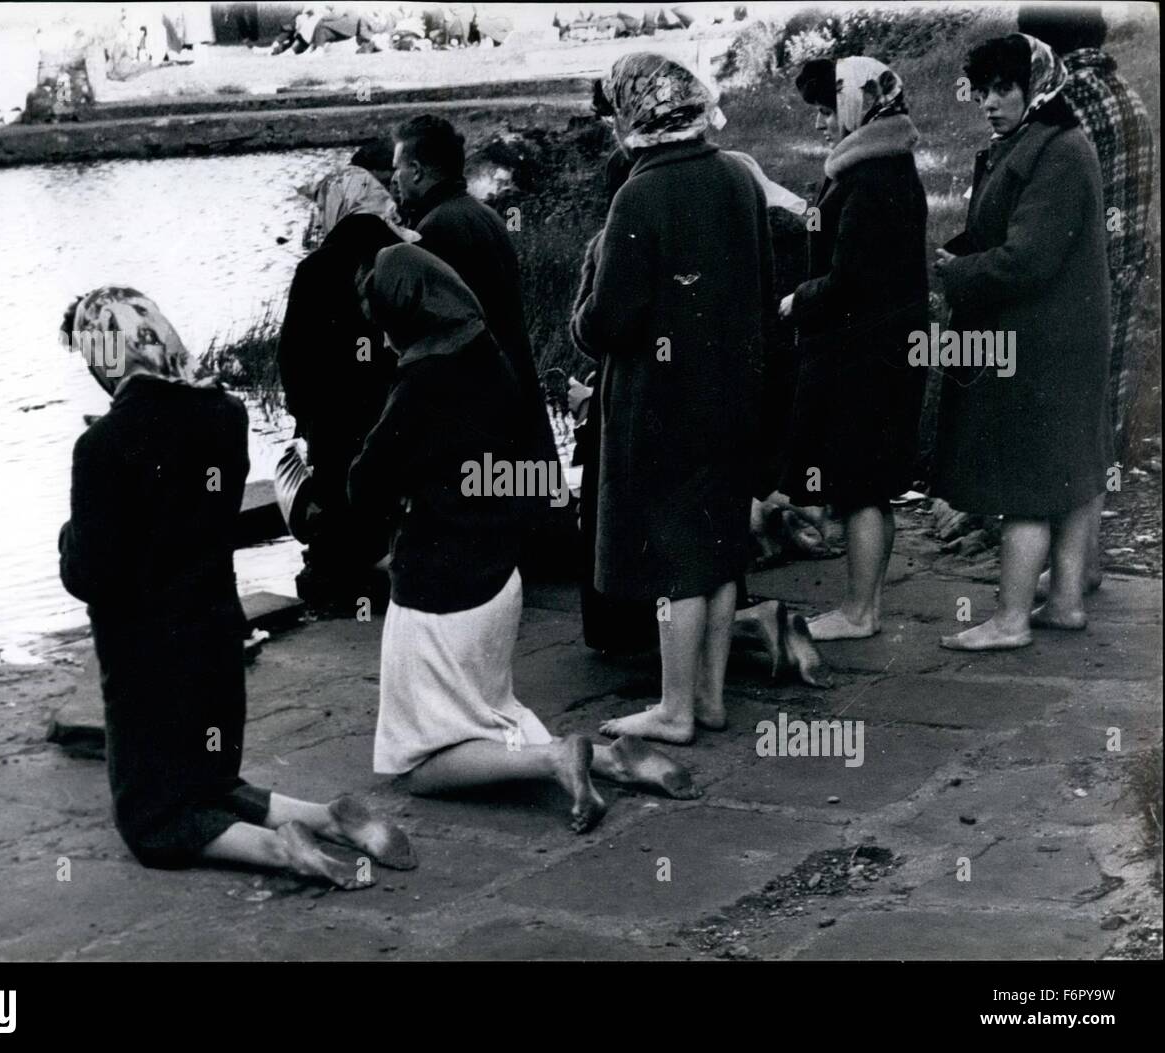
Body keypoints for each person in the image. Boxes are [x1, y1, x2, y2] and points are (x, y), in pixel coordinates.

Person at [59, 287, 415, 887]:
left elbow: (90, 573)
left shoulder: (101, 446)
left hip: (144, 656)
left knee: (154, 823)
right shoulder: (225, 414)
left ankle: (283, 850)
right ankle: (327, 816)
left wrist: (70, 533)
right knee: (211, 782)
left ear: (107, 355)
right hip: (215, 633)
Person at [348, 244, 699, 834]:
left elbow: (364, 485)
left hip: (439, 595)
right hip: (499, 580)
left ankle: (555, 757)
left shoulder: (420, 384)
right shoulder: (487, 353)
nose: (384, 340)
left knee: (422, 765)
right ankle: (611, 757)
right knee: (490, 714)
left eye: (385, 326)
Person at [571, 53, 776, 744]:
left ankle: (675, 707)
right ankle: (711, 697)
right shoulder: (739, 176)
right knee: (720, 546)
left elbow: (611, 322)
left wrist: (581, 313)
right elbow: (762, 287)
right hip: (734, 393)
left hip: (661, 402)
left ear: (636, 113)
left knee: (672, 557)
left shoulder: (640, 193)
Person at [933, 34, 1113, 651]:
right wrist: (962, 253)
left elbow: (1027, 260)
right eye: (981, 91)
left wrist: (951, 273)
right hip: (1061, 334)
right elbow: (1005, 231)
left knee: (1027, 480)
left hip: (1042, 339)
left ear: (1036, 85)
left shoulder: (1055, 151)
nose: (988, 102)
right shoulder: (1040, 143)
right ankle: (1063, 600)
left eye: (1003, 88)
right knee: (1068, 464)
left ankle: (1010, 620)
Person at [778, 57, 929, 640]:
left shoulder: (871, 177)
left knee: (860, 485)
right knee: (867, 483)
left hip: (867, 355)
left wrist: (798, 301)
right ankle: (861, 606)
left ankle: (859, 612)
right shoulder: (879, 164)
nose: (819, 122)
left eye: (824, 109)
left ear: (856, 102)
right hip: (881, 348)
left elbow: (852, 280)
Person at [1017, 3, 1157, 599]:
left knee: (1066, 426)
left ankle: (1071, 576)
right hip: (1123, 278)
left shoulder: (1068, 98)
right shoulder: (1123, 90)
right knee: (1098, 423)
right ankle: (1083, 566)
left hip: (1080, 287)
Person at [390, 114, 559, 488]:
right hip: (517, 396)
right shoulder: (485, 216)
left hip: (478, 412)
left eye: (397, 168)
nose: (393, 179)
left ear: (416, 170)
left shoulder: (432, 230)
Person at [278, 167, 418, 613]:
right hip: (397, 401)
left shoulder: (315, 268)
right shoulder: (406, 253)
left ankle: (348, 583)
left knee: (342, 498)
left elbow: (292, 356)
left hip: (335, 413)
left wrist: (304, 416)